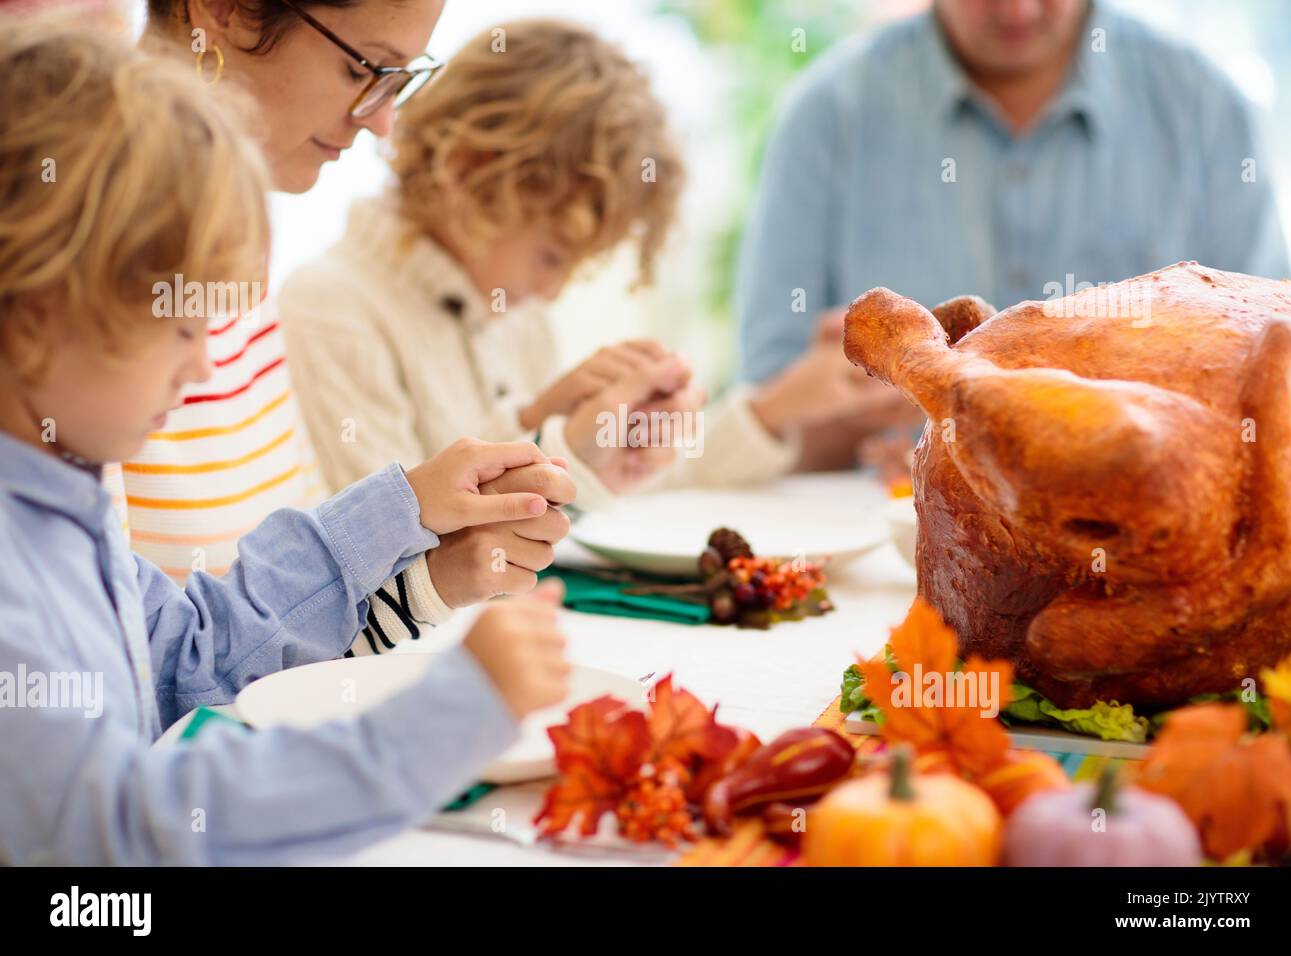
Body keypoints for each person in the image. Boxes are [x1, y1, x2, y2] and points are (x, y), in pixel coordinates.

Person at [0, 23, 572, 865]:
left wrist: (401, 509)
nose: (201, 364)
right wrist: (437, 723)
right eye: (180, 324)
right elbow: (108, 835)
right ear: (37, 311)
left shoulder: (65, 499)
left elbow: (189, 661)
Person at [118, 0, 662, 651]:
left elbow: (286, 630)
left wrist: (435, 578)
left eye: (401, 78)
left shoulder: (237, 230)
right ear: (224, 9)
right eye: (363, 68)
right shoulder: (87, 261)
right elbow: (170, 675)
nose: (382, 121)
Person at [280, 19, 887, 500]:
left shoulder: (512, 319)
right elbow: (384, 563)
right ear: (468, 172)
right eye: (551, 256)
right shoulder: (334, 310)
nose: (552, 291)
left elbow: (623, 488)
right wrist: (554, 432)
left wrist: (774, 407)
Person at [737, 0, 1291, 466]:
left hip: (1147, 532)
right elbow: (770, 404)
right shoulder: (827, 115)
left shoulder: (1205, 107)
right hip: (885, 548)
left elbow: (1275, 373)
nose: (1018, 9)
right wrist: (845, 404)